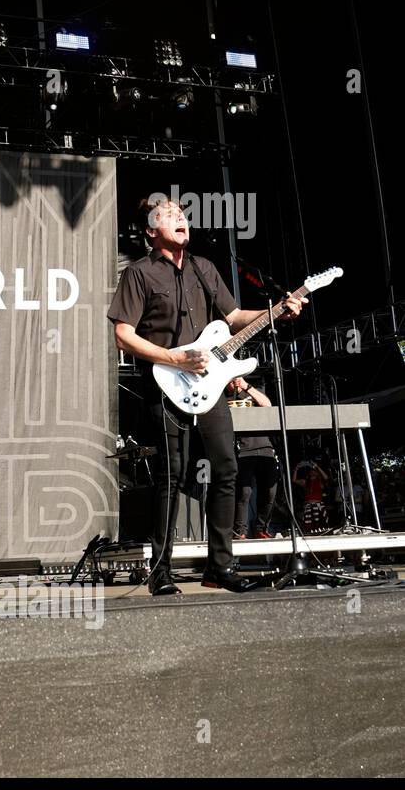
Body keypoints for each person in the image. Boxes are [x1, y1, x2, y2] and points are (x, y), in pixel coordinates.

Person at [107, 197, 306, 595]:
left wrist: (276, 310)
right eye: (167, 216)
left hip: (210, 385)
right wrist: (173, 359)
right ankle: (160, 572)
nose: (179, 218)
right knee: (171, 474)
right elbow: (123, 335)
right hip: (166, 383)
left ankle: (220, 567)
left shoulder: (204, 268)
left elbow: (232, 319)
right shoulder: (139, 274)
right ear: (150, 232)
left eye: (182, 214)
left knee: (227, 468)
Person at [225, 376, 278, 539]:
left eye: (236, 378)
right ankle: (240, 531)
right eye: (230, 379)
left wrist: (246, 386)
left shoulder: (252, 391)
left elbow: (267, 405)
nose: (234, 381)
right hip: (243, 449)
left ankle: (261, 528)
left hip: (265, 447)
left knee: (270, 491)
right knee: (244, 492)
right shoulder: (222, 397)